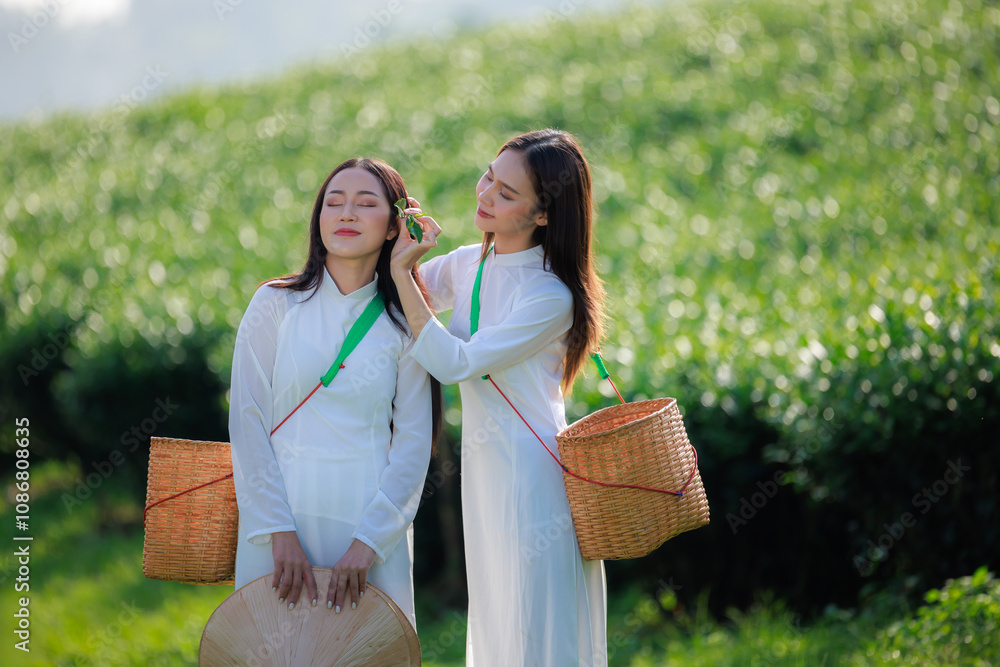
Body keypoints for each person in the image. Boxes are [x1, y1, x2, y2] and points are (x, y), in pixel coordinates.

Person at [390, 129, 608, 666]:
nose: (486, 193)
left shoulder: (550, 295)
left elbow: (452, 360)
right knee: (496, 613)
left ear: (543, 216)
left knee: (535, 619)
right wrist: (395, 241)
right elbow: (403, 306)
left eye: (507, 193)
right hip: (486, 466)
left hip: (536, 474)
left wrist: (401, 270)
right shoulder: (470, 263)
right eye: (489, 175)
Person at [228, 157, 440, 630]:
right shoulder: (274, 304)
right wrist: (278, 533)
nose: (346, 214)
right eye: (333, 202)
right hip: (278, 524)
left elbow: (411, 446)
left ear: (393, 226)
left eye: (366, 204)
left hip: (368, 529)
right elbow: (246, 422)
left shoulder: (406, 325)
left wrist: (367, 546)